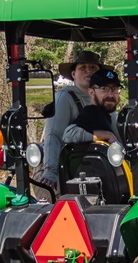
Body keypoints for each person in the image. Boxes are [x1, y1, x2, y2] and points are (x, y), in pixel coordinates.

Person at [33, 51, 102, 200]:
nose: (88, 71)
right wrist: (50, 171)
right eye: (83, 68)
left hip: (87, 170)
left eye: (93, 67)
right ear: (73, 74)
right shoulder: (64, 97)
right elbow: (54, 135)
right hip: (58, 171)